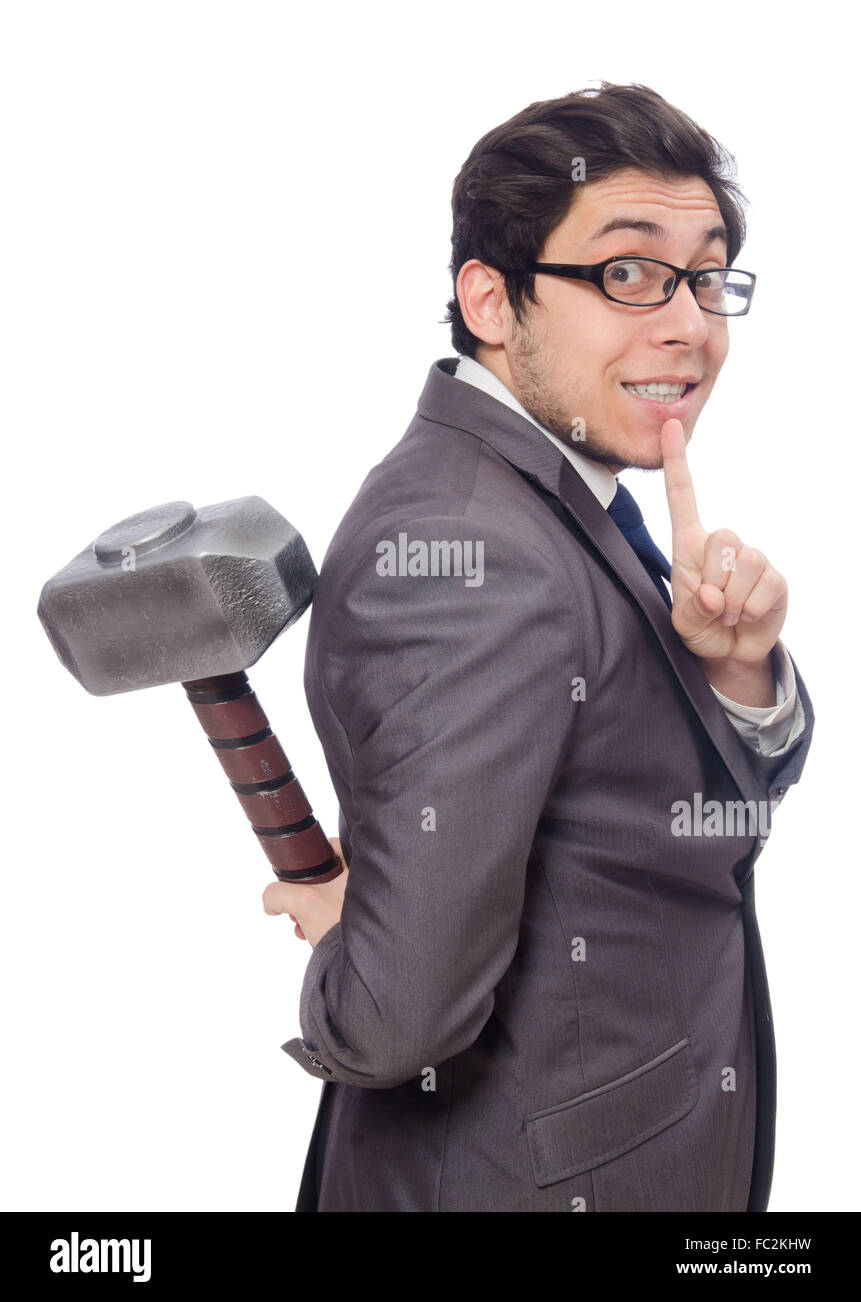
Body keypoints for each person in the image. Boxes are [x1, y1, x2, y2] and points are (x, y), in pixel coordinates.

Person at [264, 83, 814, 1212]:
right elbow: (396, 1025)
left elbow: (660, 822)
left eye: (706, 277)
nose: (688, 324)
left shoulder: (558, 505)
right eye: (626, 273)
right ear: (490, 298)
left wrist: (736, 675)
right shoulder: (470, 551)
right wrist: (347, 950)